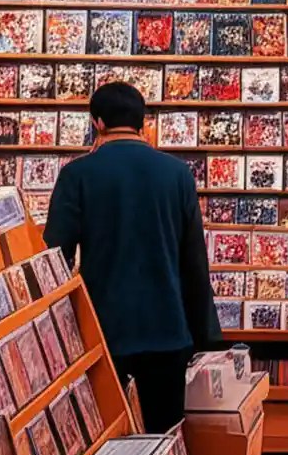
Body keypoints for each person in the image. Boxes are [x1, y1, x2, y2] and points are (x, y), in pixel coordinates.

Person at [44, 82, 220, 433]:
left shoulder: (77, 174)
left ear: (97, 122)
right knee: (165, 437)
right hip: (168, 329)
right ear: (144, 121)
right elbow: (194, 262)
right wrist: (206, 336)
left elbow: (54, 257)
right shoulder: (177, 174)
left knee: (109, 438)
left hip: (106, 332)